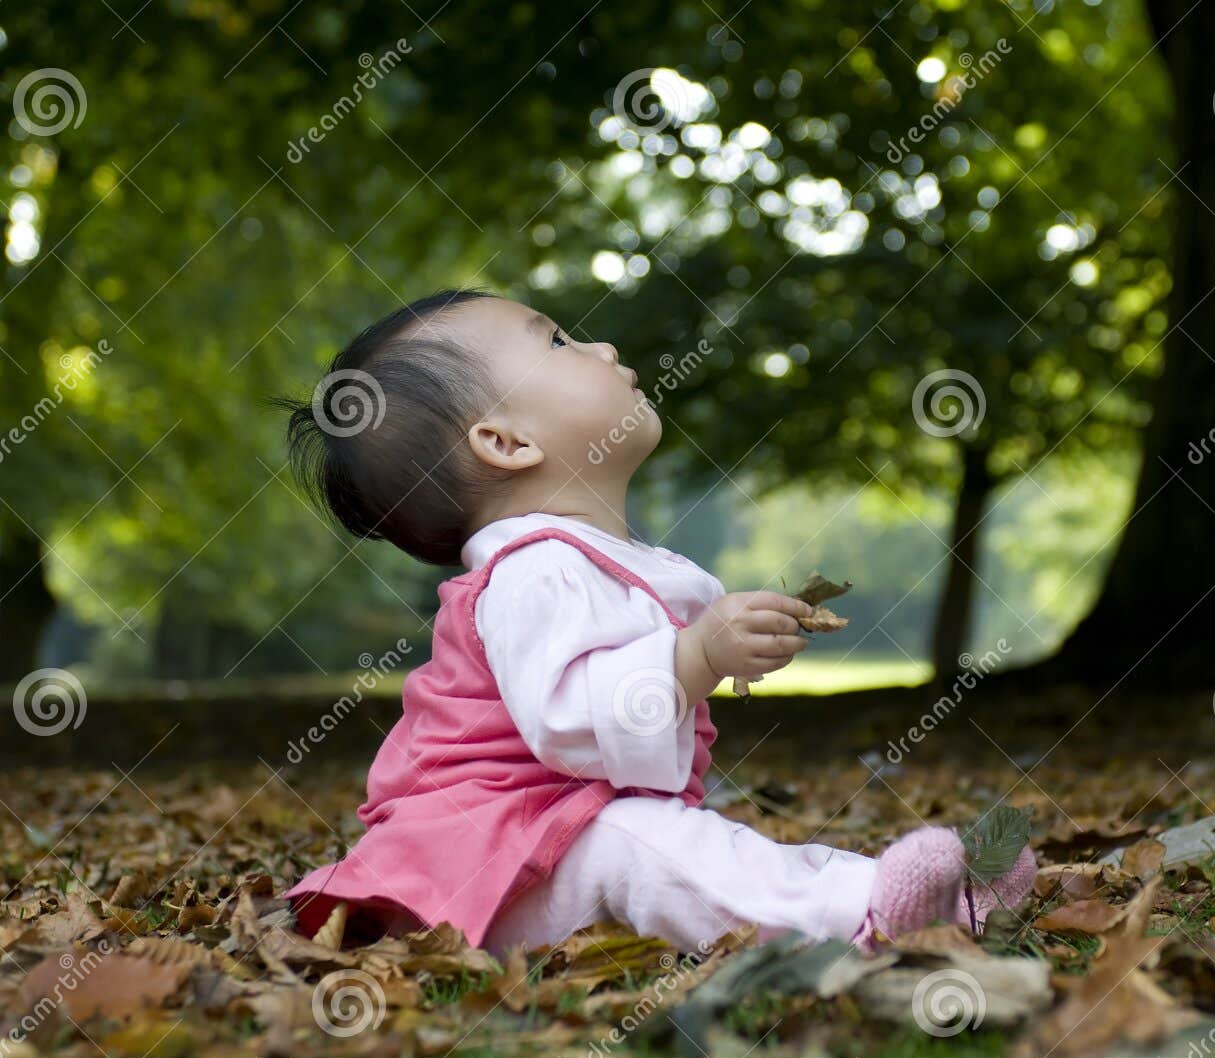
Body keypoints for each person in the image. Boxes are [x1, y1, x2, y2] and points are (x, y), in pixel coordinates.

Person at [277, 287, 1034, 955]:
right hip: (497, 859)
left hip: (553, 834)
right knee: (656, 849)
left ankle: (934, 897)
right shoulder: (531, 571)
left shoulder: (581, 559)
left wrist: (715, 647)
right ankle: (869, 913)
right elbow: (567, 719)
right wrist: (697, 655)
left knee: (708, 849)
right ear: (506, 442)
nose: (602, 347)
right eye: (557, 342)